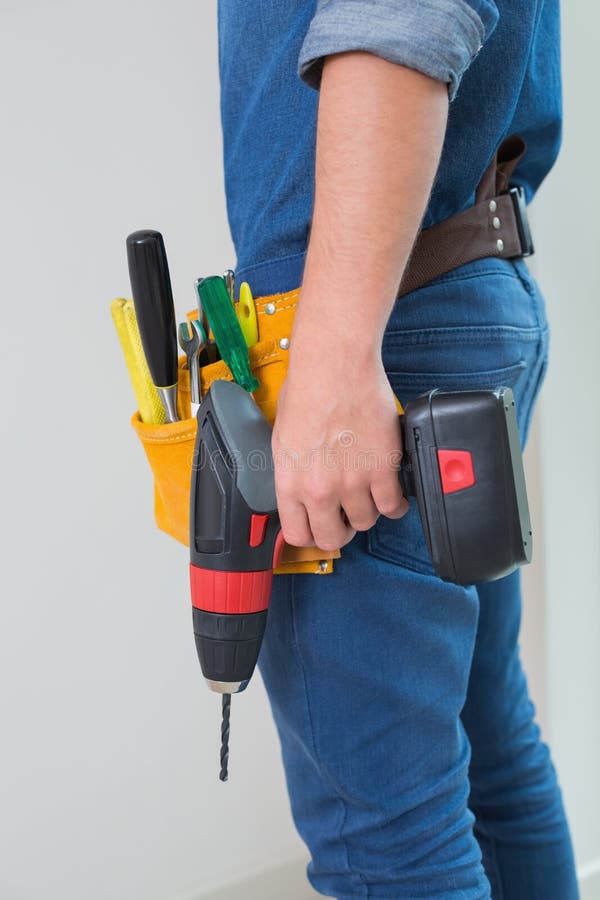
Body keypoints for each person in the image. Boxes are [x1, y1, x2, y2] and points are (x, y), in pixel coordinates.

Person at [217, 1, 579, 896]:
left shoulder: (354, 356)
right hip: (460, 290)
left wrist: (335, 362)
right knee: (489, 748)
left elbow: (403, 17)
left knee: (388, 840)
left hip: (381, 343)